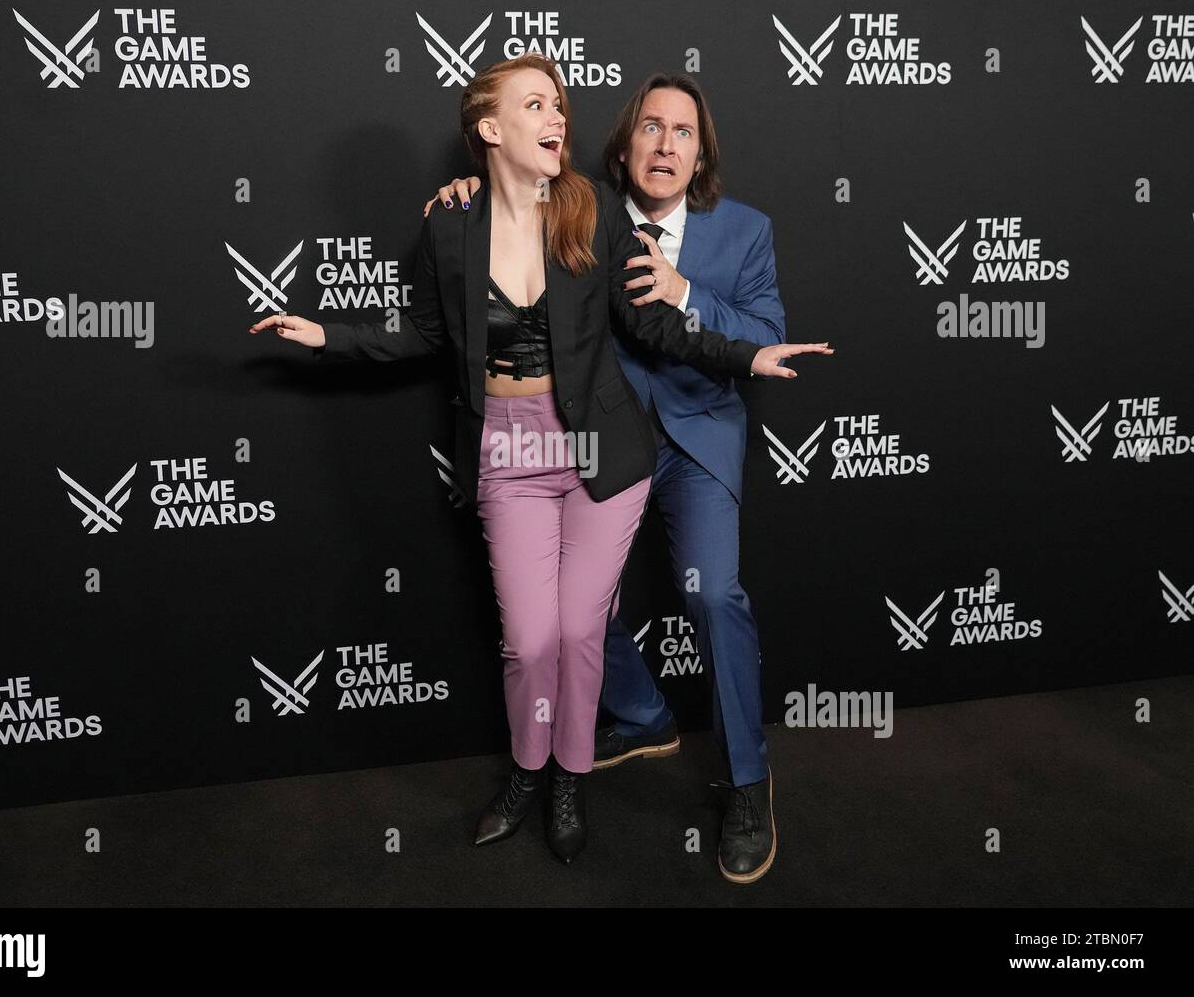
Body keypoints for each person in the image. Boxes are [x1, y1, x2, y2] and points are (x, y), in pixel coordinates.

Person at [250, 53, 831, 864]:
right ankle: (526, 770)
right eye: (537, 105)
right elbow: (418, 331)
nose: (559, 116)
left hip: (601, 453)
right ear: (491, 128)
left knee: (582, 630)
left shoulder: (588, 209)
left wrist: (745, 357)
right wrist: (326, 336)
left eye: (561, 104)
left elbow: (654, 326)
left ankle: (571, 777)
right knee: (529, 639)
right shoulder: (449, 223)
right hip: (506, 450)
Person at [426, 72, 800, 884]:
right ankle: (641, 714)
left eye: (684, 133)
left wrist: (689, 292)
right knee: (573, 611)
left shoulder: (743, 231)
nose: (666, 145)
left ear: (701, 154)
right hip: (600, 441)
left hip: (695, 438)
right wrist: (472, 190)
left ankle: (745, 782)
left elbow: (766, 330)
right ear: (624, 145)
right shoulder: (578, 206)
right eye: (651, 129)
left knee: (710, 593)